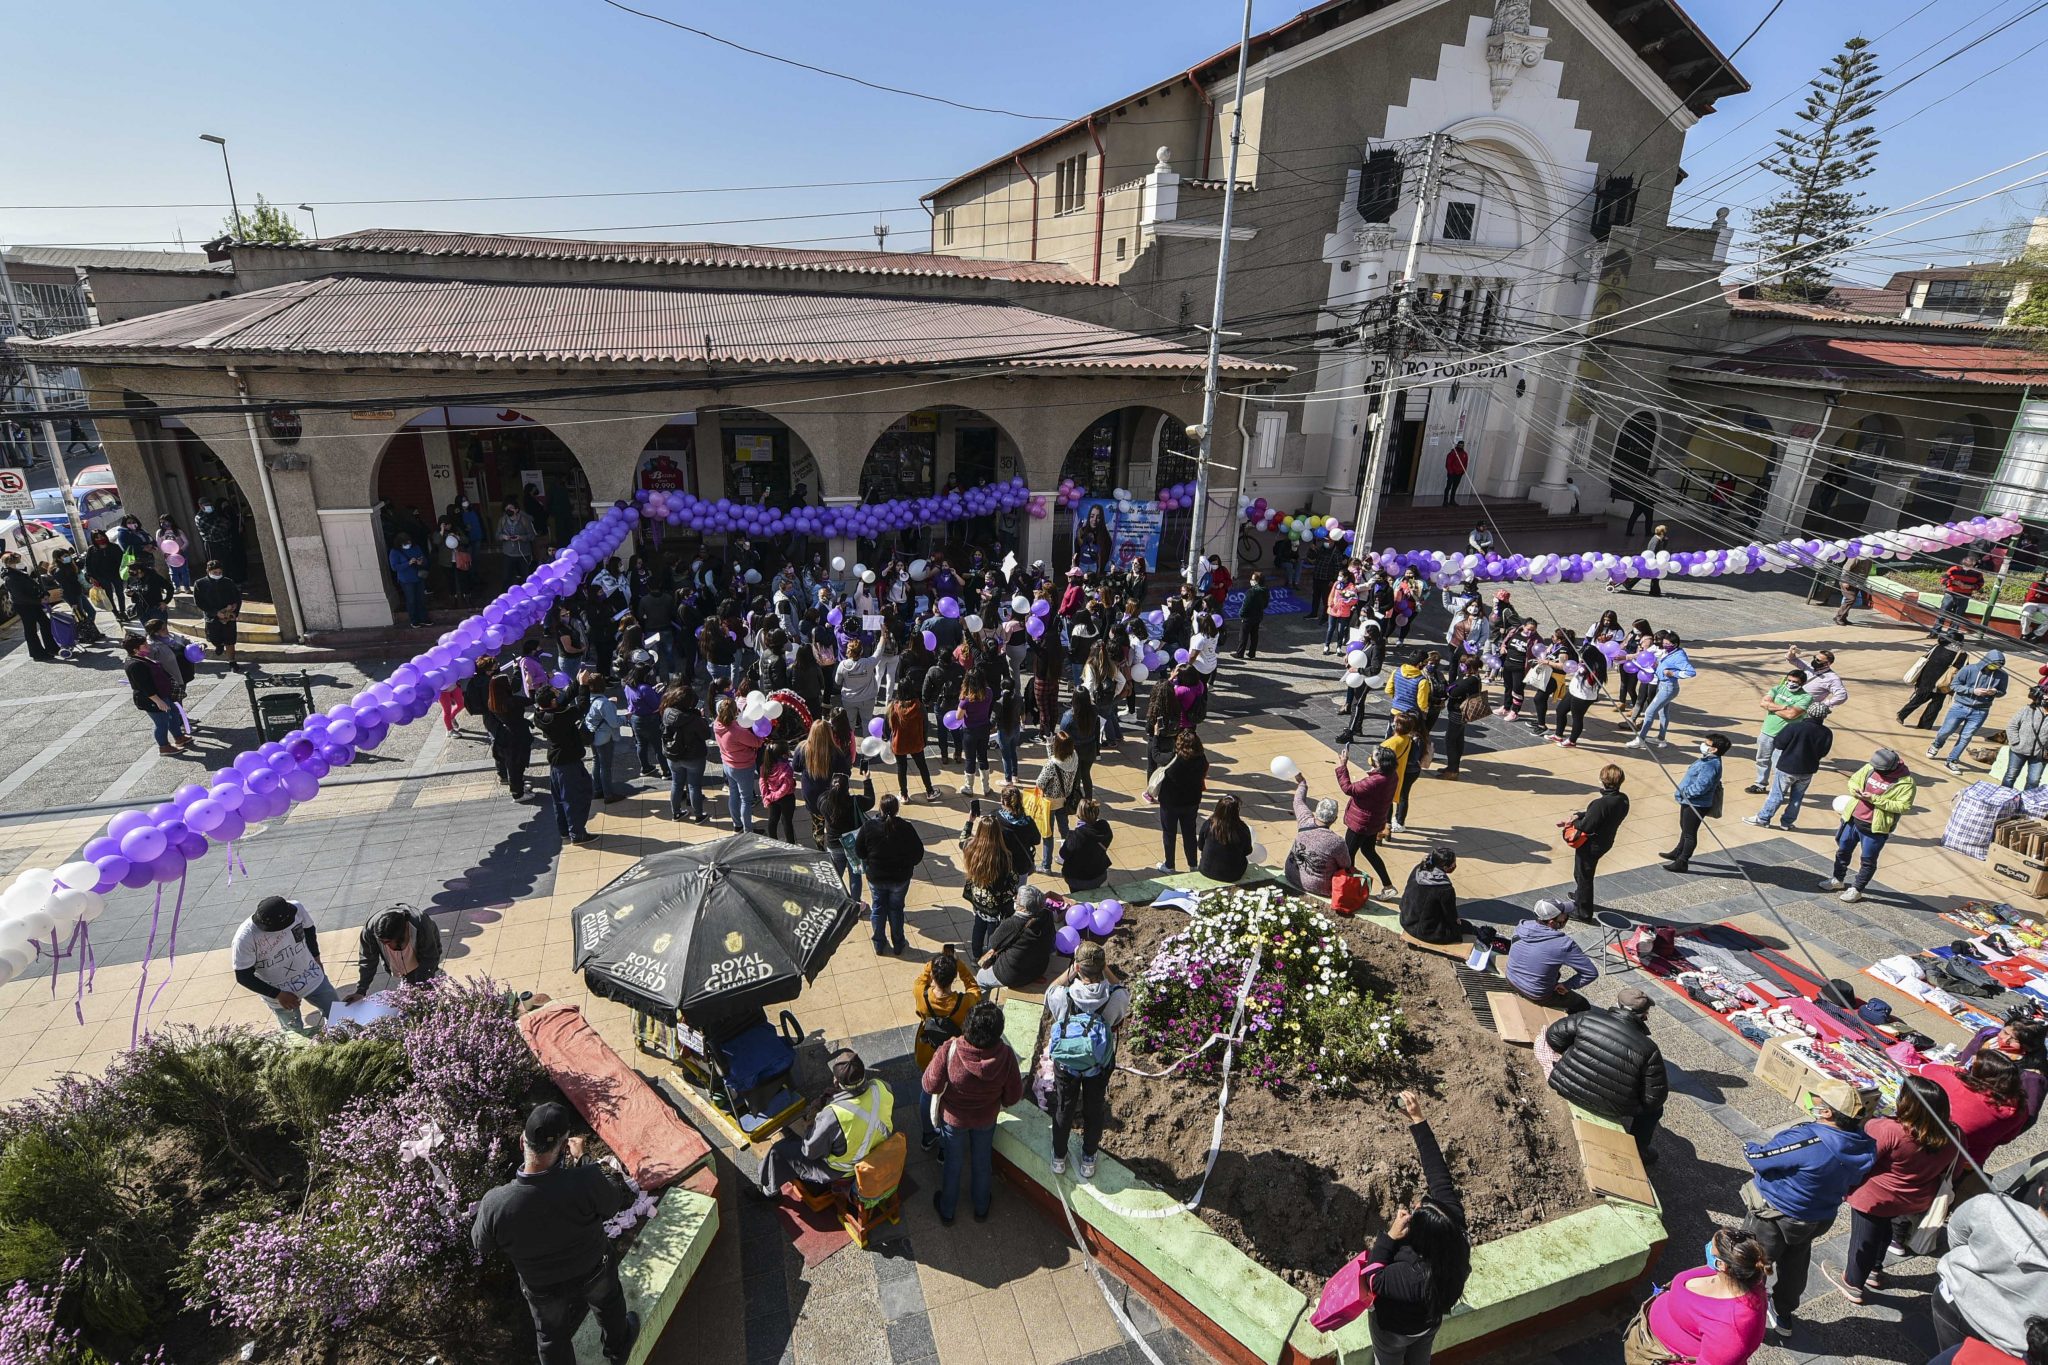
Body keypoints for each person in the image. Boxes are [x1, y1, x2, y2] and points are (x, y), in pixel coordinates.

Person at [472, 1102, 640, 1365]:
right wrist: (584, 1160)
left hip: (542, 1287)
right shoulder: (585, 1180)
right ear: (564, 1149)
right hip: (593, 1268)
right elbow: (611, 1202)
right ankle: (618, 1349)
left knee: (551, 1336)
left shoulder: (496, 1204)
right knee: (609, 1303)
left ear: (521, 1142)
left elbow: (481, 1245)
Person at [1739, 1095, 1877, 1340]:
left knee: (1751, 1262)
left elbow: (1760, 1158)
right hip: (1817, 1218)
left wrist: (1747, 1147)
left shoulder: (1808, 1139)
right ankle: (1783, 1314)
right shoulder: (1864, 1145)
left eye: (1816, 1102)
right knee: (1795, 1264)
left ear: (1827, 1113)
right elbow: (1856, 1180)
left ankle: (1739, 1313)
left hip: (1776, 1215)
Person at [1363, 1090, 1471, 1365]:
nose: (1415, 1207)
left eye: (1415, 1214)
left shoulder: (1408, 1274)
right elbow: (1439, 1176)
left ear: (1418, 1240)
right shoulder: (1455, 1235)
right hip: (1429, 1325)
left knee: (1387, 1358)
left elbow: (1373, 1277)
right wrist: (1418, 1120)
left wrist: (1390, 1237)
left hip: (1394, 1331)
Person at [1838, 1075, 1955, 1304]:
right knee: (1885, 1231)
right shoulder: (1953, 1136)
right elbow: (1955, 1168)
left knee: (1864, 1240)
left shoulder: (1888, 1129)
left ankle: (1853, 1283)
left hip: (1875, 1197)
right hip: (1914, 1198)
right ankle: (1875, 1271)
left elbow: (1862, 1159)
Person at [924, 999, 1022, 1225]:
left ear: (967, 1026)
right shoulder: (1005, 1055)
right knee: (981, 1161)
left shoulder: (950, 1049)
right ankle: (981, 1207)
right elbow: (1013, 1096)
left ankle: (947, 1210)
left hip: (953, 1121)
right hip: (986, 1119)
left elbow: (930, 1085)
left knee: (953, 1163)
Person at [1543, 988, 1667, 1158]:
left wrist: (1573, 1053)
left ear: (1617, 1004)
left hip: (1564, 1085)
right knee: (1655, 1111)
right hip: (1612, 1108)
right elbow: (1654, 1098)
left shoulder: (1586, 1017)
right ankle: (1640, 1151)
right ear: (1645, 1016)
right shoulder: (1649, 1049)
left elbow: (1553, 1036)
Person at [756, 1048, 895, 1199]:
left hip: (842, 1169)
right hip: (876, 1150)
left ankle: (768, 1191)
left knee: (779, 1151)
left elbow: (810, 1151)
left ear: (836, 1081)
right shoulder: (882, 1086)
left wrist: (813, 1115)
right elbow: (864, 1108)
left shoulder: (833, 1116)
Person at [1931, 1185, 2048, 1360]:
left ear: (2040, 1191)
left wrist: (1972, 1264)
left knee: (1953, 1357)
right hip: (2014, 1341)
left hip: (1954, 1298)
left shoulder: (1993, 1207)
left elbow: (1956, 1233)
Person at [1044, 942, 1129, 1180]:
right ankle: (1089, 1158)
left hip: (1067, 1064)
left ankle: (1059, 1158)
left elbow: (1051, 989)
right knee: (1094, 1109)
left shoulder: (1063, 995)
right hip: (1098, 1065)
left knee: (1063, 1108)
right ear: (1102, 967)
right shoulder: (1116, 997)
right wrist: (1105, 968)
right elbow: (1122, 991)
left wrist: (1071, 969)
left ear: (1078, 968)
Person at [1635, 1228, 1769, 1365]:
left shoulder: (1733, 1327)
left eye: (1712, 1248)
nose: (1708, 1248)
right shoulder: (1740, 1278)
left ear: (1722, 1264)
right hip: (1650, 1336)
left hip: (1657, 1354)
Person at [231, 895, 339, 1034]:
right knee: (294, 1033)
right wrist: (278, 994)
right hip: (279, 993)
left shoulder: (297, 908)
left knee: (338, 1016)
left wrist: (316, 958)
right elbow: (243, 976)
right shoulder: (245, 938)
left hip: (311, 975)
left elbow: (309, 930)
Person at [1821, 748, 1917, 903]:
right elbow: (1853, 780)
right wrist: (1855, 790)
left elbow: (1903, 806)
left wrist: (1874, 799)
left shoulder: (1906, 783)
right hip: (1852, 819)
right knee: (1842, 850)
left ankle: (1857, 889)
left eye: (1881, 770)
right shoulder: (1870, 768)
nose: (1877, 771)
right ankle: (1837, 879)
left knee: (1868, 860)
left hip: (1875, 828)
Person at [1921, 1051, 2032, 1179]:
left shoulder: (1959, 1085)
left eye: (1974, 1063)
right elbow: (2006, 1139)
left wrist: (1959, 1070)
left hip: (1936, 1150)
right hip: (1969, 1161)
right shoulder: (2020, 1108)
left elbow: (1928, 1069)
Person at [912, 945, 981, 1149]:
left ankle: (927, 1135)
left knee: (927, 1092)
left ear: (933, 975)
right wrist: (958, 964)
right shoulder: (965, 1002)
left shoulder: (921, 995)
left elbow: (921, 979)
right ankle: (945, 1146)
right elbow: (974, 988)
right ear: (953, 979)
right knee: (948, 1101)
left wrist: (935, 963)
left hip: (926, 1053)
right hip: (953, 1057)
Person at [854, 793, 924, 956]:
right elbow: (918, 853)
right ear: (897, 809)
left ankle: (879, 943)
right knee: (896, 909)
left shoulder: (869, 827)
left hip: (876, 877)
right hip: (900, 878)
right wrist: (908, 864)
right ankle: (898, 943)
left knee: (878, 908)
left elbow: (859, 851)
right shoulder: (906, 827)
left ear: (880, 808)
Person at [1749, 703, 1832, 830]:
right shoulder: (1826, 732)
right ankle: (1787, 823)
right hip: (1808, 770)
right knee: (1797, 797)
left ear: (1807, 713)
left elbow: (1779, 744)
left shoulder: (1794, 727)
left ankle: (1763, 818)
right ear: (1824, 716)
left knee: (1777, 794)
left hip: (1787, 768)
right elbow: (1823, 752)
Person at [1507, 900, 1599, 1013]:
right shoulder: (1564, 944)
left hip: (1511, 980)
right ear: (1552, 922)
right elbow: (1591, 973)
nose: (1567, 916)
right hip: (1536, 993)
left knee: (1556, 973)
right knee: (1582, 1005)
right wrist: (1567, 985)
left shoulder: (1523, 926)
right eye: (1564, 914)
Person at [1568, 765, 1630, 921]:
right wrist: (1581, 814)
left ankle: (1583, 912)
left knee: (1584, 876)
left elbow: (1586, 826)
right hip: (1606, 840)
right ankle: (1580, 895)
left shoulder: (1600, 803)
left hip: (1591, 844)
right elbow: (1599, 815)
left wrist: (1573, 823)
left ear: (1603, 780)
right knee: (1581, 873)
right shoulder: (1623, 799)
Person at [535, 687, 595, 845]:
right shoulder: (561, 717)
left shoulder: (540, 715)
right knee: (576, 797)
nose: (559, 697)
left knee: (560, 799)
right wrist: (582, 688)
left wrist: (579, 682)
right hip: (568, 762)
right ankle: (577, 833)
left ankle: (565, 830)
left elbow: (561, 703)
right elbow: (582, 707)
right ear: (552, 702)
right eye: (556, 696)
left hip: (557, 763)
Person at [346, 904, 445, 1000]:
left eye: (388, 942)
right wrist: (360, 991)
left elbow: (429, 959)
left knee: (423, 991)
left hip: (424, 952)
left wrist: (420, 988)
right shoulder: (369, 931)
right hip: (403, 964)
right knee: (409, 985)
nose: (386, 946)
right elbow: (367, 961)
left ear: (403, 935)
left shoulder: (421, 924)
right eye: (382, 942)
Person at [1935, 650, 2011, 773]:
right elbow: (1954, 685)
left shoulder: (2003, 675)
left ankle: (1952, 760)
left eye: (1999, 665)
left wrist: (1995, 692)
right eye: (1994, 664)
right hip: (1960, 706)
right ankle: (1937, 744)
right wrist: (1972, 691)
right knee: (1946, 731)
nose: (1995, 667)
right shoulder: (1968, 670)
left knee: (1966, 737)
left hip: (1980, 711)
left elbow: (2002, 691)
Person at [1663, 733, 1728, 873]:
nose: (1703, 745)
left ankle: (1682, 861)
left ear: (1714, 749)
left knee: (1689, 834)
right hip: (1689, 801)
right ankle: (1677, 852)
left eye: (1707, 743)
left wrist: (1685, 793)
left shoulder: (1711, 765)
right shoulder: (1707, 759)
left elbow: (1701, 787)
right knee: (1685, 827)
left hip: (1696, 804)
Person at [961, 812, 1022, 962]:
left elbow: (962, 839)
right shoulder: (1004, 856)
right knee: (993, 933)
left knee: (978, 925)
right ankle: (989, 958)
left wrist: (970, 821)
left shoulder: (971, 847)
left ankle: (976, 955)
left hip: (977, 898)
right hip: (995, 903)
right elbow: (1014, 878)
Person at [977, 883, 1057, 992]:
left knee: (980, 977)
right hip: (1039, 968)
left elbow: (992, 944)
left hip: (1011, 975)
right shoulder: (1047, 915)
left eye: (1017, 899)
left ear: (1023, 908)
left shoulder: (1012, 924)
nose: (1014, 899)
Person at [1746, 667, 1813, 795]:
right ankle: (1760, 784)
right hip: (1767, 732)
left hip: (1786, 737)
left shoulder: (1806, 697)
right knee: (1762, 760)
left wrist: (1772, 708)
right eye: (1789, 680)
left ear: (1802, 683)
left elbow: (1791, 715)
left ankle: (1778, 791)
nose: (1791, 683)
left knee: (1780, 766)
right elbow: (1763, 703)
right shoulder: (1777, 689)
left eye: (1795, 682)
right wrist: (1784, 707)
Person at [1625, 631, 1694, 748]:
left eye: (1668, 644)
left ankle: (1640, 739)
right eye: (1664, 643)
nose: (1665, 646)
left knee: (1649, 712)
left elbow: (1691, 672)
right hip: (1663, 685)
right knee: (1663, 712)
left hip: (1668, 688)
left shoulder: (1679, 656)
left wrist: (1673, 673)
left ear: (1675, 644)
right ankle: (1661, 738)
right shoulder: (1670, 652)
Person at [1152, 730, 1209, 872]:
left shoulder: (1174, 758)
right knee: (1189, 833)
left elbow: (1156, 755)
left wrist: (1156, 737)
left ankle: (1169, 865)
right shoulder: (1202, 759)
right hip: (1192, 802)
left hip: (1170, 803)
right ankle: (1193, 865)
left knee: (1169, 833)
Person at [1285, 777, 1350, 897]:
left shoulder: (1305, 820)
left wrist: (1302, 784)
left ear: (1316, 813)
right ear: (1334, 819)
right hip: (1318, 887)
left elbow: (1298, 801)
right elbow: (1346, 865)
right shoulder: (1337, 842)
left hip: (1291, 874)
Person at [123, 632, 186, 755]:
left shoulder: (140, 658)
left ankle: (179, 737)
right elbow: (145, 686)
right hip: (152, 699)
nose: (148, 647)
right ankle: (164, 747)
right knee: (161, 722)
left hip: (162, 694)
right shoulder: (135, 665)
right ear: (136, 650)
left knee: (173, 714)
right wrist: (158, 701)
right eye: (144, 645)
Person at [712, 696, 766, 832]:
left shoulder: (717, 724)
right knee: (746, 800)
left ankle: (737, 825)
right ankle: (748, 831)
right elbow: (757, 743)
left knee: (734, 795)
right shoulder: (736, 732)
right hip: (742, 767)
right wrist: (761, 732)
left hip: (727, 765)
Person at [660, 687, 711, 822]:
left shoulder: (667, 712)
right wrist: (702, 718)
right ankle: (699, 815)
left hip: (673, 755)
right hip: (694, 756)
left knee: (676, 783)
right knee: (694, 786)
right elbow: (706, 734)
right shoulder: (694, 719)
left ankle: (676, 813)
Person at [1901, 631, 1969, 730]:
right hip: (1943, 684)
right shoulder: (1962, 655)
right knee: (1935, 705)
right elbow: (1962, 671)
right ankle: (1925, 725)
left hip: (1926, 680)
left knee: (1918, 699)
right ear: (1958, 642)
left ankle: (1901, 715)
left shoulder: (1936, 647)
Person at [885, 680, 938, 803]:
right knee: (922, 766)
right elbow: (925, 725)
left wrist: (889, 739)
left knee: (901, 768)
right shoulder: (919, 706)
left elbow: (886, 726)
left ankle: (904, 795)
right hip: (916, 742)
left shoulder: (893, 706)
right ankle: (930, 791)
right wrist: (924, 740)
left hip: (899, 743)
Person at [487, 669, 534, 801]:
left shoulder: (493, 702)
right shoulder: (513, 701)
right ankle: (517, 793)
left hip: (505, 734)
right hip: (518, 734)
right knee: (517, 764)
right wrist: (529, 685)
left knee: (512, 763)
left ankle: (518, 786)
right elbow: (531, 700)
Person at [1398, 847, 1462, 944]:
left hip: (1406, 919)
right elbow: (1450, 915)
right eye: (1453, 863)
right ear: (1445, 867)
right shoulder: (1445, 888)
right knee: (1466, 927)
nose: (1454, 865)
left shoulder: (1418, 869)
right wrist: (1456, 921)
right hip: (1427, 932)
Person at [2, 552, 57, 661]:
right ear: (9, 563)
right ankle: (37, 653)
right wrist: (39, 600)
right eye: (16, 561)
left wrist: (44, 593)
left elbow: (34, 584)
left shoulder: (19, 572)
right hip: (24, 606)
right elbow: (20, 596)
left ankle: (51, 647)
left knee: (45, 623)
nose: (19, 562)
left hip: (33, 603)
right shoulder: (10, 577)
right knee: (31, 629)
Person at [192, 559, 243, 671]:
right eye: (215, 573)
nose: (218, 575)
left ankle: (232, 661)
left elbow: (237, 598)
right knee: (213, 637)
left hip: (228, 616)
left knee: (230, 640)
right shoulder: (200, 584)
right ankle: (218, 645)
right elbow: (199, 602)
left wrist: (234, 611)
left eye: (220, 573)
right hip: (212, 617)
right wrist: (215, 612)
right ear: (208, 571)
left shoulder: (228, 582)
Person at [1195, 794, 1255, 882]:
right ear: (1236, 811)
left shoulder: (1208, 824)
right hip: (1232, 875)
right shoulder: (1242, 828)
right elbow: (1248, 851)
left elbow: (1200, 846)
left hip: (1206, 870)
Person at [1058, 797, 1114, 892]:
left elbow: (1063, 855)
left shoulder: (1076, 835)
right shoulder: (1104, 827)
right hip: (1098, 874)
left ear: (1079, 814)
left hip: (1077, 879)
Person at [2003, 687, 2048, 790]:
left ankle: (2026, 804)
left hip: (2039, 755)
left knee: (2034, 781)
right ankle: (2004, 800)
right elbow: (2012, 726)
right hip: (2018, 751)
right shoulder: (2027, 710)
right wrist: (2015, 742)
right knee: (2010, 776)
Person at [387, 529, 430, 627]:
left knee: (421, 599)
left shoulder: (416, 547)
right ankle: (414, 620)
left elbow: (424, 559)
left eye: (409, 542)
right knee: (411, 600)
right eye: (406, 543)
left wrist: (421, 562)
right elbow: (394, 567)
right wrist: (408, 563)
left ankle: (424, 618)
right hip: (406, 580)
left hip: (418, 577)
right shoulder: (395, 552)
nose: (408, 544)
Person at [1937, 553, 1985, 633]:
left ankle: (1951, 634)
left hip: (1964, 596)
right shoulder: (1954, 569)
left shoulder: (1978, 574)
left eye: (1970, 566)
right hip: (1950, 594)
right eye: (1965, 565)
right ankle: (1935, 631)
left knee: (1958, 616)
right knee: (1943, 613)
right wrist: (1954, 582)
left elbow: (1980, 584)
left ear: (1974, 565)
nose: (1967, 567)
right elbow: (1943, 580)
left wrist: (1970, 587)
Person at [1618, 525, 1669, 596]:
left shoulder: (1659, 539)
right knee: (1655, 576)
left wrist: (1665, 541)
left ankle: (1628, 584)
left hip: (1655, 561)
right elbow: (1652, 552)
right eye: (1666, 532)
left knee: (1644, 574)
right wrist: (1654, 562)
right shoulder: (1655, 541)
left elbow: (1662, 549)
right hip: (1652, 562)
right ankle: (1654, 592)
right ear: (1662, 533)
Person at [498, 501, 538, 587]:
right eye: (507, 508)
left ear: (516, 510)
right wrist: (503, 537)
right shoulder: (502, 520)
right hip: (508, 554)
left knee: (526, 578)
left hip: (523, 553)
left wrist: (521, 537)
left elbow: (532, 536)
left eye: (511, 508)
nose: (508, 510)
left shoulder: (524, 520)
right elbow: (497, 535)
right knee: (507, 578)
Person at [1234, 571, 1270, 660]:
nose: (1251, 580)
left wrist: (1241, 615)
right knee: (1254, 635)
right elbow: (1265, 604)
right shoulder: (1265, 590)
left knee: (1243, 635)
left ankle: (1240, 653)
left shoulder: (1251, 592)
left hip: (1248, 617)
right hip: (1258, 616)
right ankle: (1252, 653)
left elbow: (1245, 605)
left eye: (1252, 579)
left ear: (1257, 581)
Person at [1835, 554, 1874, 627]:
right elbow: (1846, 568)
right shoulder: (1857, 556)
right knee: (1850, 599)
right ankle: (1839, 617)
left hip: (1858, 583)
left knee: (1851, 600)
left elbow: (1866, 571)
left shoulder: (1870, 558)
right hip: (1848, 581)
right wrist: (1845, 581)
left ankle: (1843, 617)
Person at [1442, 440, 1470, 506]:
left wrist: (1463, 471)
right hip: (1452, 473)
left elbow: (1465, 464)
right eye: (1459, 445)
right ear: (1457, 445)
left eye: (1462, 445)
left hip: (1459, 473)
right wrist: (1450, 472)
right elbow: (1448, 463)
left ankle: (1452, 500)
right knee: (1448, 486)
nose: (1460, 446)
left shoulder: (1464, 454)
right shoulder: (1453, 453)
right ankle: (1445, 501)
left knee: (1455, 487)